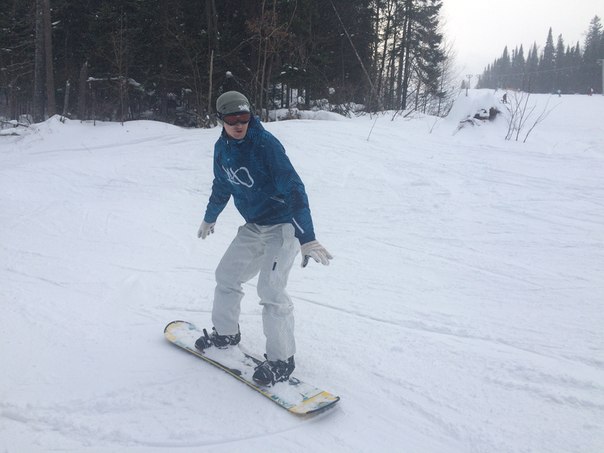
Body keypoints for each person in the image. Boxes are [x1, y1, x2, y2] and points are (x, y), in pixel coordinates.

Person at [195, 91, 332, 386]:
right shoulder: (222, 148)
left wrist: (307, 237)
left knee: (270, 289)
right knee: (226, 276)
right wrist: (210, 216)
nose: (239, 124)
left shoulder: (265, 145)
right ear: (220, 119)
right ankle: (226, 333)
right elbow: (222, 185)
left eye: (244, 117)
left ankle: (282, 361)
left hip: (283, 226)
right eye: (232, 118)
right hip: (255, 225)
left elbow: (294, 188)